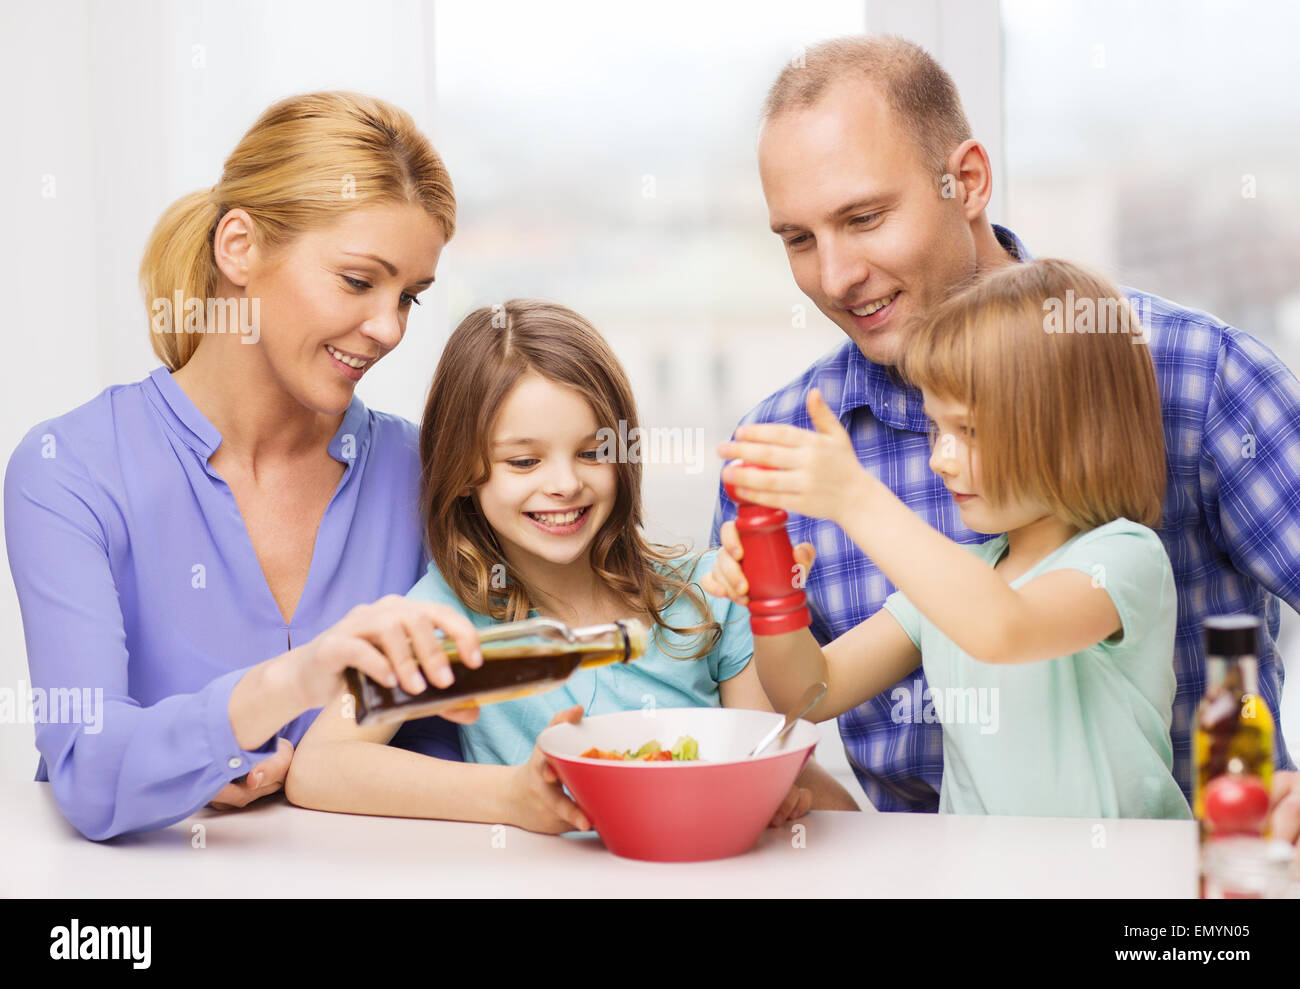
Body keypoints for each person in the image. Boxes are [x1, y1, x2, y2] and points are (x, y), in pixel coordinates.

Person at [712, 35, 1298, 812]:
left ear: (968, 181)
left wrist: (853, 498)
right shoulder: (792, 448)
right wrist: (769, 589)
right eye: (798, 238)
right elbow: (794, 702)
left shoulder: (1192, 373)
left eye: (865, 217)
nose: (835, 276)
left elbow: (1002, 627)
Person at [3, 91, 484, 841]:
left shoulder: (418, 469)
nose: (388, 328)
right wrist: (284, 687)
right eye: (359, 281)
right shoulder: (70, 470)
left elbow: (454, 734)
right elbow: (88, 769)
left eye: (409, 298)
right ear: (240, 248)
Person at [286, 299, 859, 831]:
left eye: (591, 452)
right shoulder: (444, 620)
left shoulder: (708, 595)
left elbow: (775, 765)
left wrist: (775, 796)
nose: (564, 484)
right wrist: (514, 795)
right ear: (464, 473)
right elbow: (322, 766)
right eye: (525, 460)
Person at [706, 259, 1190, 818]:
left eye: (971, 432)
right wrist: (775, 599)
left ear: (1077, 433)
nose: (941, 457)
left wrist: (853, 497)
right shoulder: (955, 583)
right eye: (937, 428)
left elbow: (1006, 627)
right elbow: (810, 695)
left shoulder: (1124, 558)